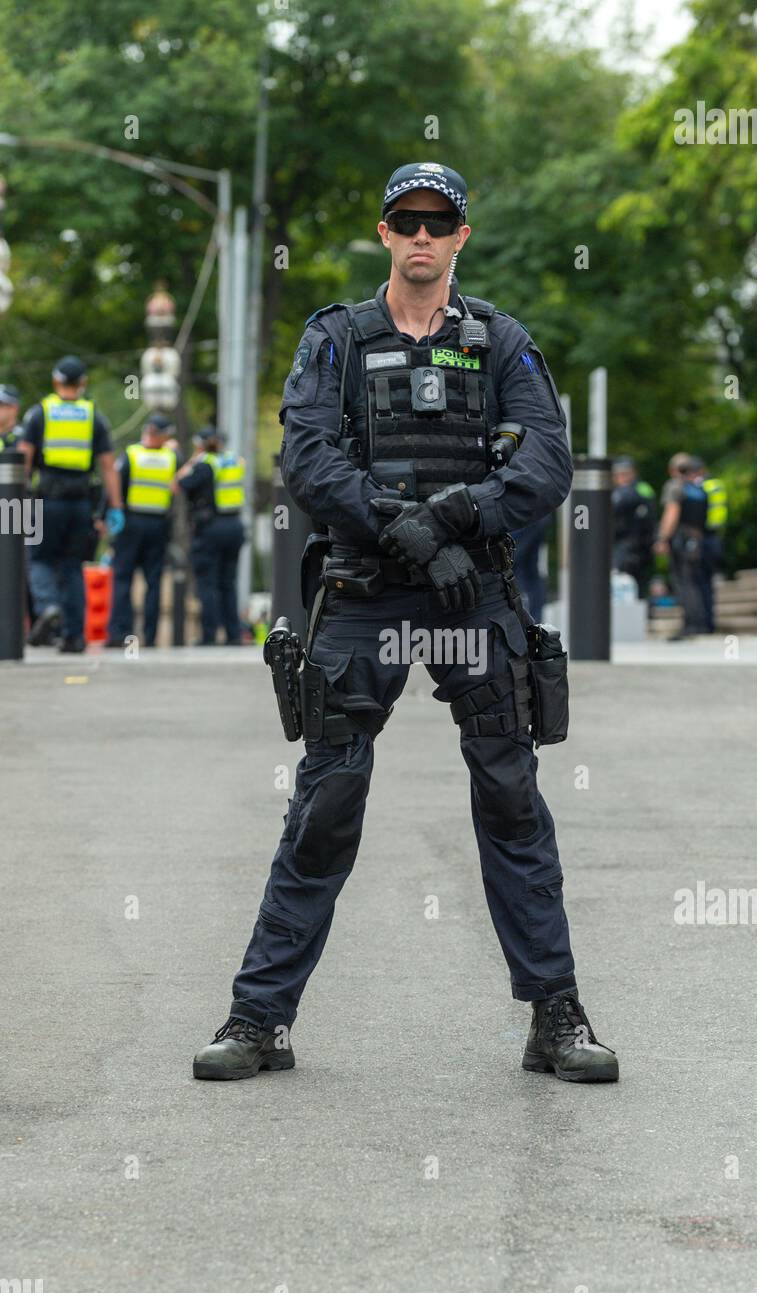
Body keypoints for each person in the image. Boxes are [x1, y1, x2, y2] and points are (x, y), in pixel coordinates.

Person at [193, 160, 619, 1085]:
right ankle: (258, 1018)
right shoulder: (337, 337)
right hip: (363, 587)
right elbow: (306, 458)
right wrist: (404, 528)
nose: (422, 235)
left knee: (511, 796)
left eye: (439, 221)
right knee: (327, 801)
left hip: (474, 588)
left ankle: (556, 1019)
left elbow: (546, 463)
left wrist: (457, 521)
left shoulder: (501, 340)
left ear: (462, 235)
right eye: (406, 220)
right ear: (383, 232)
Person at [18, 356, 123, 652]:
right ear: (83, 384)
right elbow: (108, 465)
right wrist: (115, 506)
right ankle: (74, 636)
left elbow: (24, 457)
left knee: (38, 558)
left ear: (56, 381)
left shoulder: (40, 413)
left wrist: (19, 495)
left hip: (47, 500)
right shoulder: (94, 416)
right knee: (72, 566)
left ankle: (48, 605)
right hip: (80, 504)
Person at [106, 413, 179, 648]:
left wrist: (105, 515)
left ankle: (120, 633)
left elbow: (115, 485)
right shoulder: (172, 457)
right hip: (158, 524)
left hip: (131, 523)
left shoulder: (131, 454)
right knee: (153, 582)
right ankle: (150, 636)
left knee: (123, 578)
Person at [174, 427, 245, 646]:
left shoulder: (204, 465)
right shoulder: (235, 461)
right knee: (228, 582)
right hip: (234, 525)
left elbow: (178, 484)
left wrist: (193, 460)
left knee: (207, 583)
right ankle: (234, 635)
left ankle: (209, 635)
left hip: (211, 528)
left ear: (201, 445)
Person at [655, 453, 708, 640]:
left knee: (682, 582)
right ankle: (699, 623)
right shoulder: (698, 488)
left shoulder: (674, 487)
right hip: (697, 539)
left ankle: (690, 625)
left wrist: (662, 538)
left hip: (681, 539)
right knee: (692, 581)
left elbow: (672, 513)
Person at [690, 456, 727, 634]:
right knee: (707, 583)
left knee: (701, 582)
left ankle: (703, 623)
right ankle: (709, 621)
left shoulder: (700, 487)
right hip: (715, 538)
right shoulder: (717, 485)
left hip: (702, 538)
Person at [611, 456, 656, 596]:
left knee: (625, 586)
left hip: (628, 546)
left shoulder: (626, 491)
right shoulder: (645, 488)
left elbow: (611, 508)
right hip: (643, 546)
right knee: (640, 586)